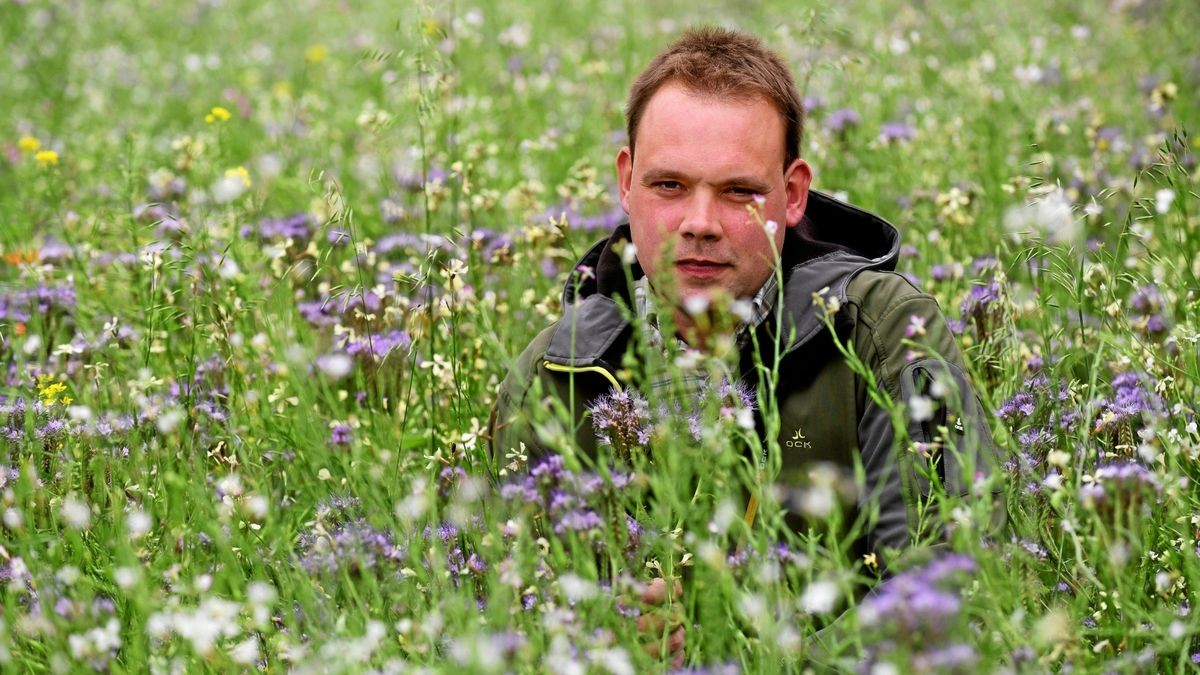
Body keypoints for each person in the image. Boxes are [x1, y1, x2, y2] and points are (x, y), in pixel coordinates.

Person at [488, 26, 1005, 663]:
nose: (700, 224)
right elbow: (497, 607)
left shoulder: (882, 331)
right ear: (626, 181)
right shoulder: (557, 369)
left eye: (739, 192)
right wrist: (604, 639)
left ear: (793, 194)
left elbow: (950, 583)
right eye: (669, 186)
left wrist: (752, 658)